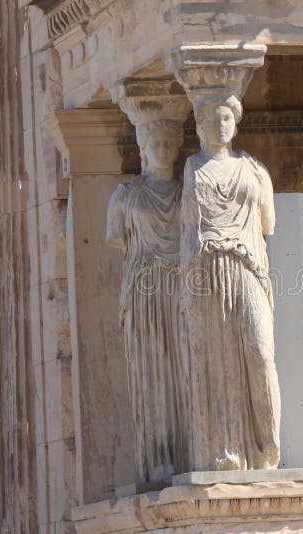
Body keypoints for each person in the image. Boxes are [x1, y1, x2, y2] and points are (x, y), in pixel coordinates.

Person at [180, 93, 281, 471]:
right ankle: (227, 454)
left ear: (235, 123)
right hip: (206, 272)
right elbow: (185, 234)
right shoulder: (192, 169)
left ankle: (267, 447)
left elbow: (268, 223)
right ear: (198, 124)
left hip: (249, 267)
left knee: (260, 354)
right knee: (217, 361)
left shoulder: (254, 170)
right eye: (212, 118)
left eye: (226, 118)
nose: (220, 125)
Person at [106, 118, 189, 483]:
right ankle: (157, 460)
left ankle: (189, 453)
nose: (163, 150)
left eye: (169, 144)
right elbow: (116, 238)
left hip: (183, 288)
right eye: (155, 143)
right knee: (152, 372)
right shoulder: (125, 195)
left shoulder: (190, 191)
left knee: (185, 370)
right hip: (144, 293)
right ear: (142, 148)